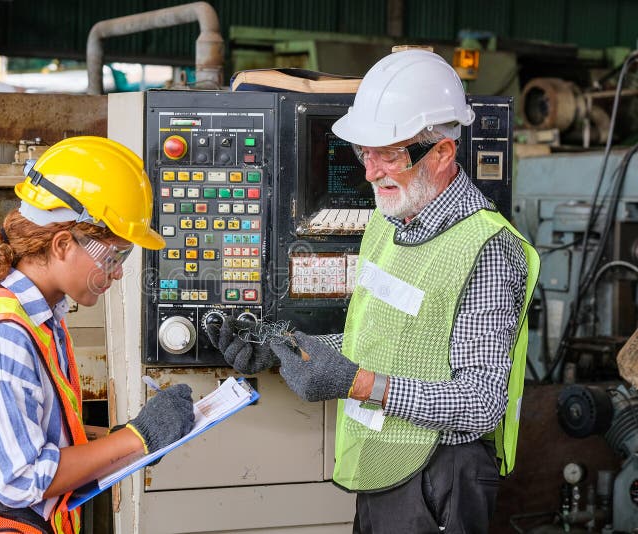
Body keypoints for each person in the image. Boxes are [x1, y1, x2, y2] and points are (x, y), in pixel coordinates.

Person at [208, 50, 540, 533]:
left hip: (440, 477)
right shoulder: (388, 223)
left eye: (390, 154)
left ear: (443, 152)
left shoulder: (486, 249)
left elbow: (482, 401)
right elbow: (382, 341)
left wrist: (359, 385)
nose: (370, 171)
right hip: (384, 468)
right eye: (365, 152)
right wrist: (286, 349)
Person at [0, 136, 196, 533]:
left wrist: (123, 440)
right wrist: (137, 440)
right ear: (63, 243)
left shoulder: (42, 320)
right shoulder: (3, 340)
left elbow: (40, 437)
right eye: (113, 256)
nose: (118, 271)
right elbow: (21, 479)